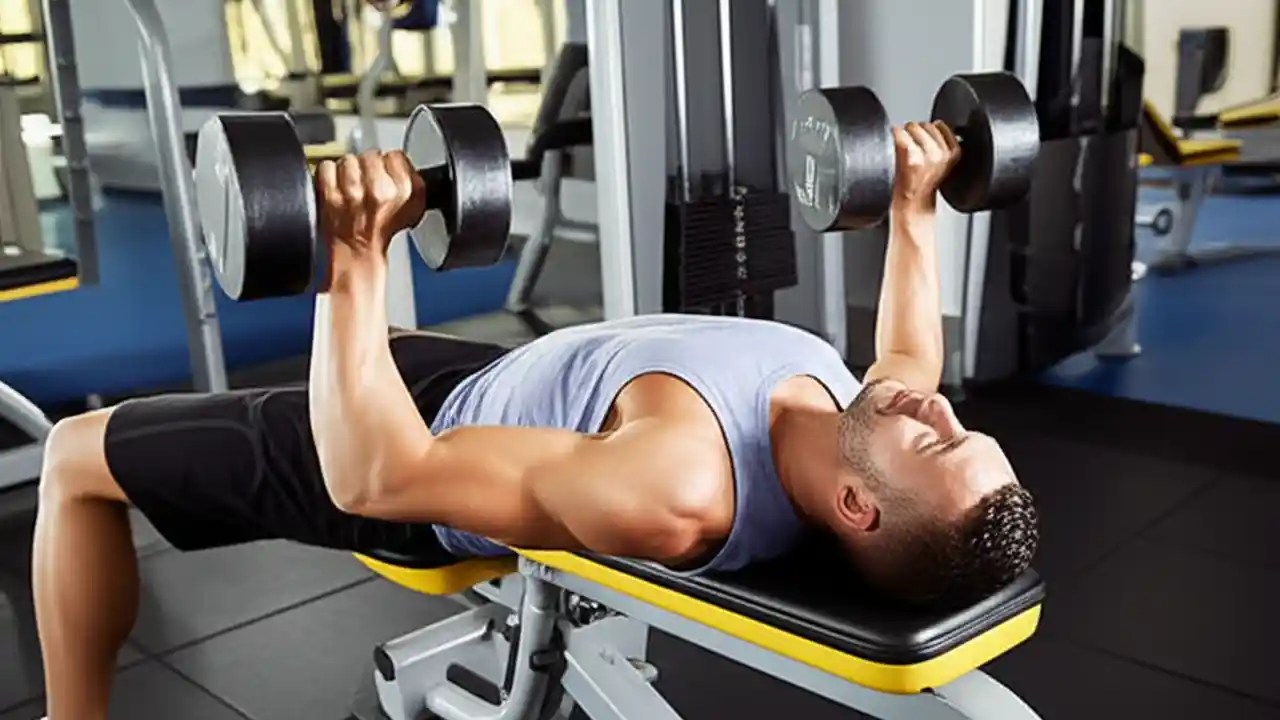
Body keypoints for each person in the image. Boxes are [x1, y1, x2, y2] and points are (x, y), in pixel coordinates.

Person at [31, 120, 1037, 719]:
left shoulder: (674, 486)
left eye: (935, 438)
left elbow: (377, 478)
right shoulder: (863, 421)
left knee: (74, 455)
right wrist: (911, 210)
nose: (935, 404)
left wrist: (351, 267)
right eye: (959, 425)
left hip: (402, 444)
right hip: (498, 384)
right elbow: (911, 359)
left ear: (855, 507)